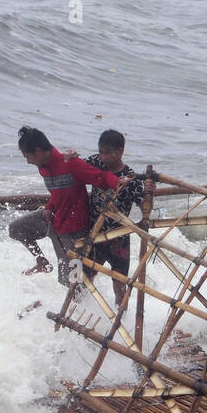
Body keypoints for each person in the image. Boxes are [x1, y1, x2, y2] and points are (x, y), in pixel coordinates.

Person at [8, 125, 121, 288]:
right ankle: (41, 261)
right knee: (16, 229)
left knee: (71, 282)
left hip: (73, 231)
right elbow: (58, 193)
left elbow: (100, 177)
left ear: (38, 151)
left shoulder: (70, 163)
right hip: (53, 219)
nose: (28, 161)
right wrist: (49, 206)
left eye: (28, 156)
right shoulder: (43, 168)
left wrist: (117, 182)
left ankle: (79, 309)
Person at [67, 129, 154, 307]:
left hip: (118, 237)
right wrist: (71, 157)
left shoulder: (131, 179)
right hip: (94, 235)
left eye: (107, 153)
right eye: (101, 151)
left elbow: (146, 208)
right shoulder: (95, 162)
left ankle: (120, 320)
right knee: (83, 279)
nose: (103, 156)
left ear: (120, 152)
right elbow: (75, 169)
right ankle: (75, 312)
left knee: (120, 285)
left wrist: (150, 194)